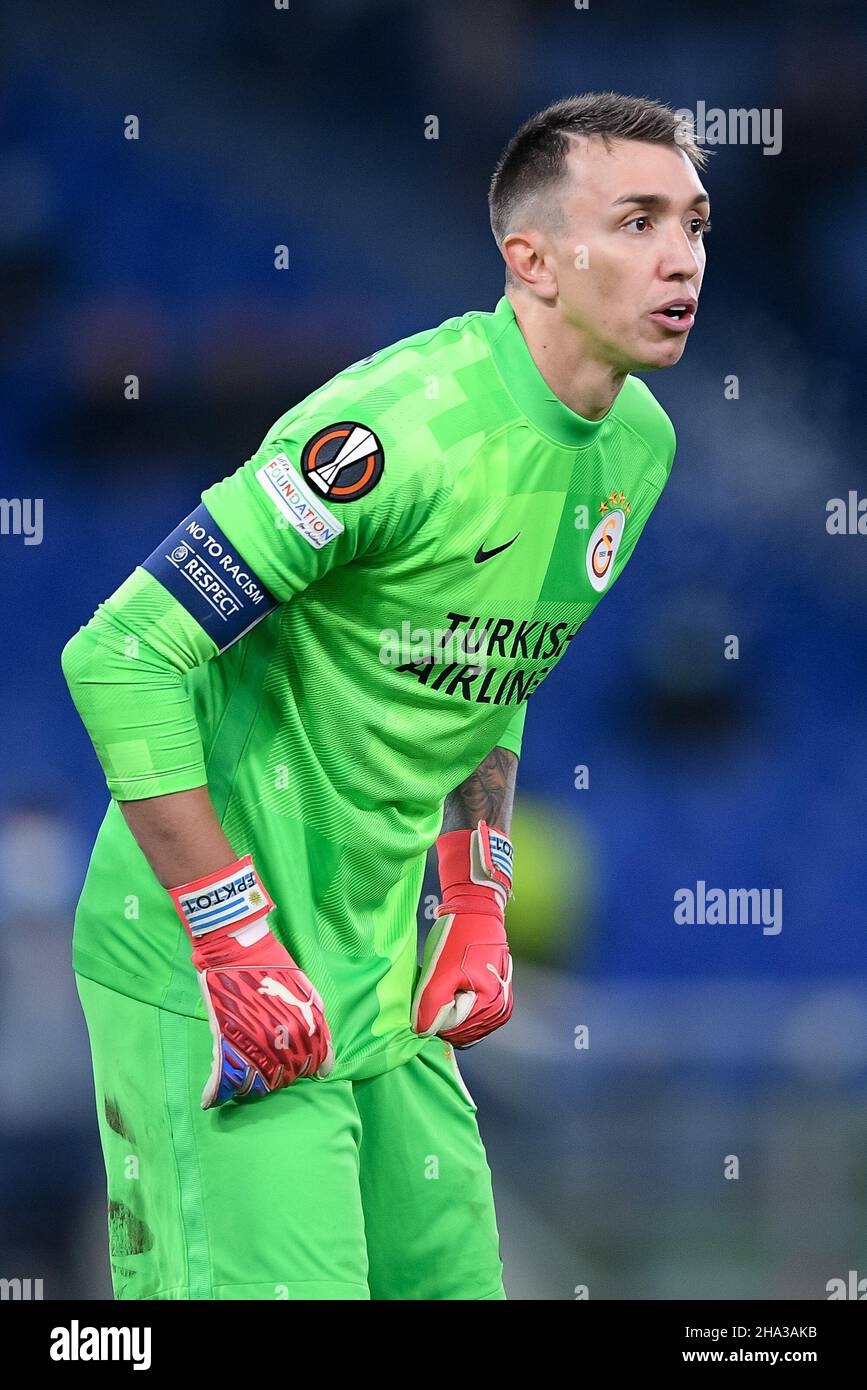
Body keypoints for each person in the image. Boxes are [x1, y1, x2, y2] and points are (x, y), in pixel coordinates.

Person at [62, 91, 710, 1301]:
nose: (681, 258)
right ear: (533, 261)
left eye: (694, 222)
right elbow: (120, 655)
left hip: (372, 963)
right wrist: (229, 932)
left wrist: (475, 891)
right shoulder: (393, 431)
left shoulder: (639, 449)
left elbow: (495, 662)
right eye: (636, 221)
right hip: (210, 961)